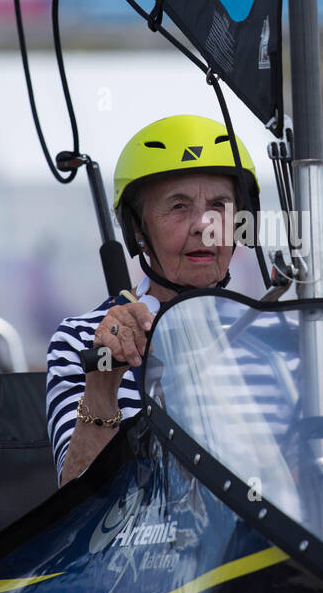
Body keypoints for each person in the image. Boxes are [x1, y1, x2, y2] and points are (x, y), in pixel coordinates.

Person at [46, 114, 260, 486]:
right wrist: (102, 386)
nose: (203, 225)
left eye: (219, 205)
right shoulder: (80, 340)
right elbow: (76, 500)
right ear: (137, 230)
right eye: (178, 207)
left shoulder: (277, 334)